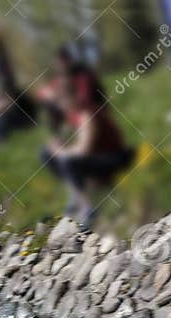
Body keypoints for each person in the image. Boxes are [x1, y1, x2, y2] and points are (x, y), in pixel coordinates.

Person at [40, 81, 132, 231]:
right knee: (46, 154)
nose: (60, 106)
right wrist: (59, 147)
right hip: (98, 156)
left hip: (114, 158)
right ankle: (76, 195)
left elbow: (83, 149)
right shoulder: (72, 115)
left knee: (67, 161)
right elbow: (73, 142)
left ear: (73, 97)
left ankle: (87, 208)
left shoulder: (86, 113)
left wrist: (60, 151)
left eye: (62, 101)